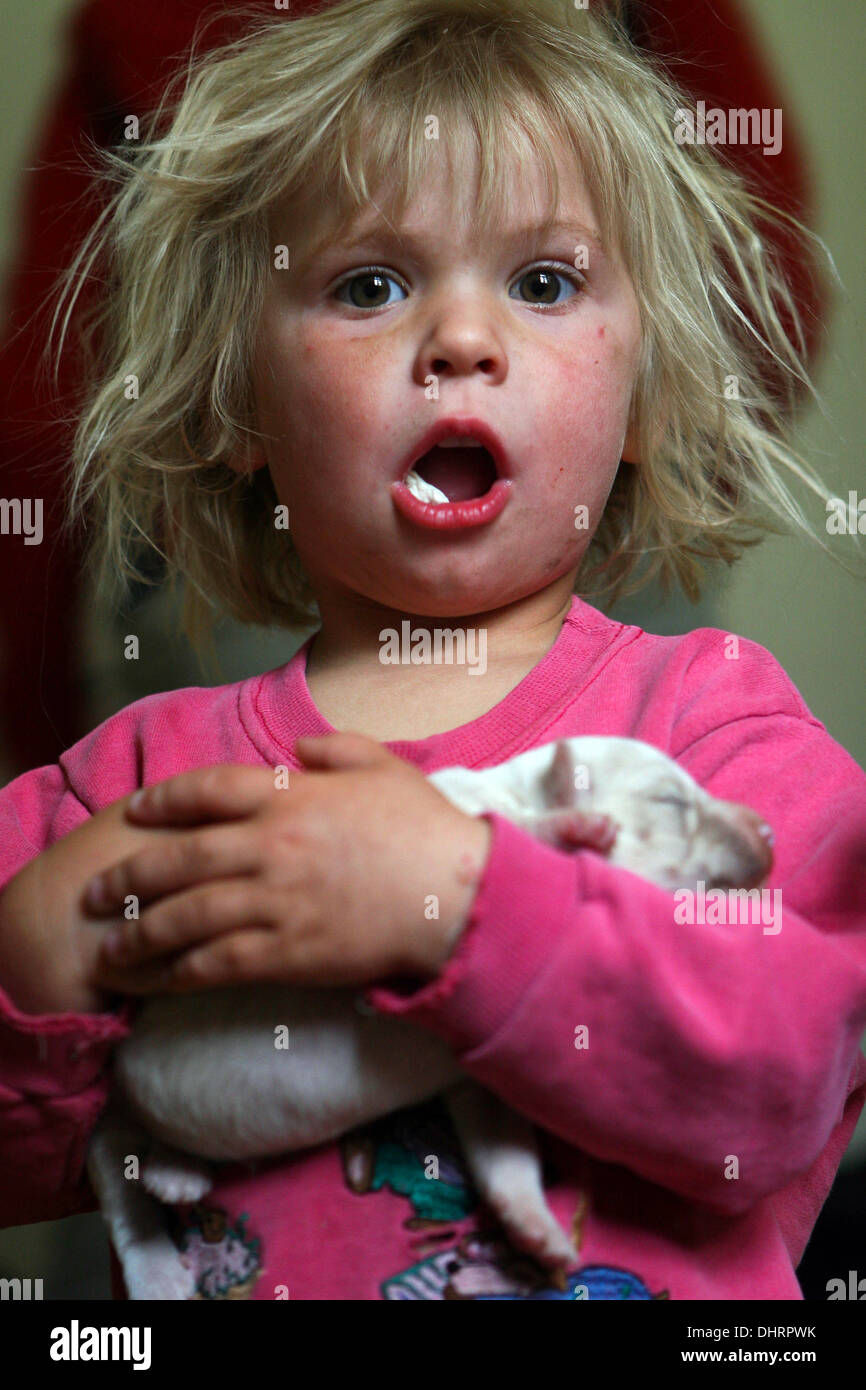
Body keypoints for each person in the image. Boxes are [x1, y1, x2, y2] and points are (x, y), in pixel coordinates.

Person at [0, 0, 864, 1301]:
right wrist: (43, 954)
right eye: (369, 285)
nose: (461, 340)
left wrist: (459, 898)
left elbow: (787, 1075)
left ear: (646, 398)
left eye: (542, 281)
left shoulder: (719, 729)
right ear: (239, 404)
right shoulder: (129, 783)